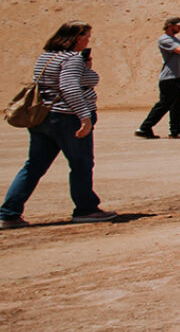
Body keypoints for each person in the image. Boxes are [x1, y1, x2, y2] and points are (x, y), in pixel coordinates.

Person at [2, 21, 117, 227]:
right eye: (87, 36)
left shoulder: (46, 57)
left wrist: (86, 69)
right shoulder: (72, 59)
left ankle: (9, 213)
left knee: (34, 166)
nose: (88, 41)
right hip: (67, 117)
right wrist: (84, 118)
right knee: (81, 164)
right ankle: (86, 209)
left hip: (43, 118)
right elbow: (69, 88)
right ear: (77, 37)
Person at [138, 16, 180, 139]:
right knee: (164, 104)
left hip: (175, 77)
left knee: (178, 104)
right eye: (178, 26)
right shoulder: (164, 39)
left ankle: (176, 129)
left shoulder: (174, 39)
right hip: (168, 78)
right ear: (170, 26)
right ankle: (144, 127)